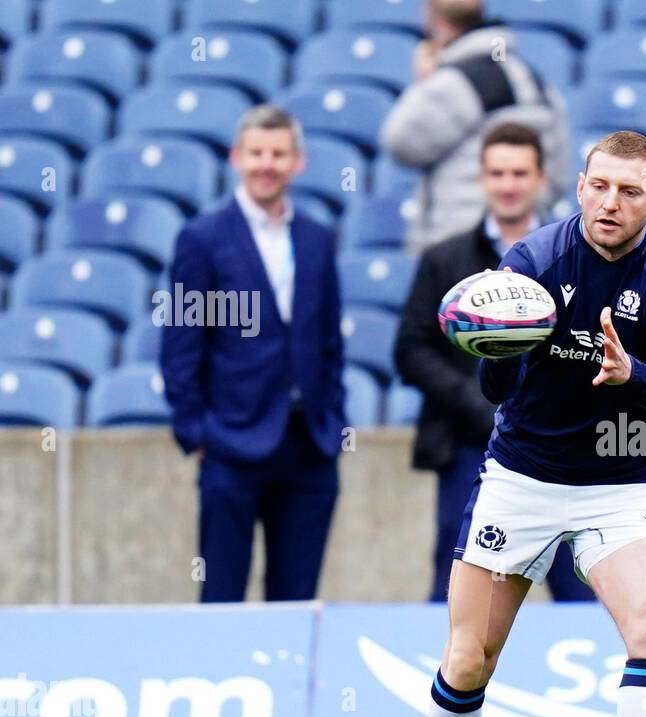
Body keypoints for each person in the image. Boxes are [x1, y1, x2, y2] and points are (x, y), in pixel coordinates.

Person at [400, 131, 646, 717]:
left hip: (615, 480)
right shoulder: (533, 264)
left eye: (630, 191)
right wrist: (502, 348)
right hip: (522, 479)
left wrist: (627, 371)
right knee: (469, 655)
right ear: (580, 187)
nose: (611, 203)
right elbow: (495, 390)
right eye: (600, 186)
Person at [393, 122, 594, 603]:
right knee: (459, 585)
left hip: (564, 451)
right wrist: (478, 402)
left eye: (519, 173)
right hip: (470, 449)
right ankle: (448, 677)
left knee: (581, 590)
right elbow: (411, 350)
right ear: (482, 179)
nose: (508, 184)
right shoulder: (445, 258)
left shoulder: (578, 256)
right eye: (497, 173)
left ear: (541, 178)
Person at [161, 106, 344, 603]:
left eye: (278, 154)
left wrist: (333, 414)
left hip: (309, 445)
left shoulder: (316, 238)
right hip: (231, 443)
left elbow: (329, 342)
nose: (267, 164)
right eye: (257, 153)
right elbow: (181, 342)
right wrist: (194, 431)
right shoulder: (202, 238)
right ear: (237, 158)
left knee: (296, 601)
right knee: (221, 596)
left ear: (297, 162)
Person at [380, 0, 570, 253]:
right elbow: (557, 175)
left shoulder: (451, 82)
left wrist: (424, 83)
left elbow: (400, 143)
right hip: (527, 247)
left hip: (455, 249)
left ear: (433, 21)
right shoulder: (535, 81)